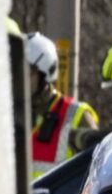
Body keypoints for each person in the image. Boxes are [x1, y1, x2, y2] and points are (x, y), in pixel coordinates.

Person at [24, 31, 99, 177]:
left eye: (26, 72)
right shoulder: (5, 115)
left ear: (44, 74)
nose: (17, 79)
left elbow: (96, 175)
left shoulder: (75, 115)